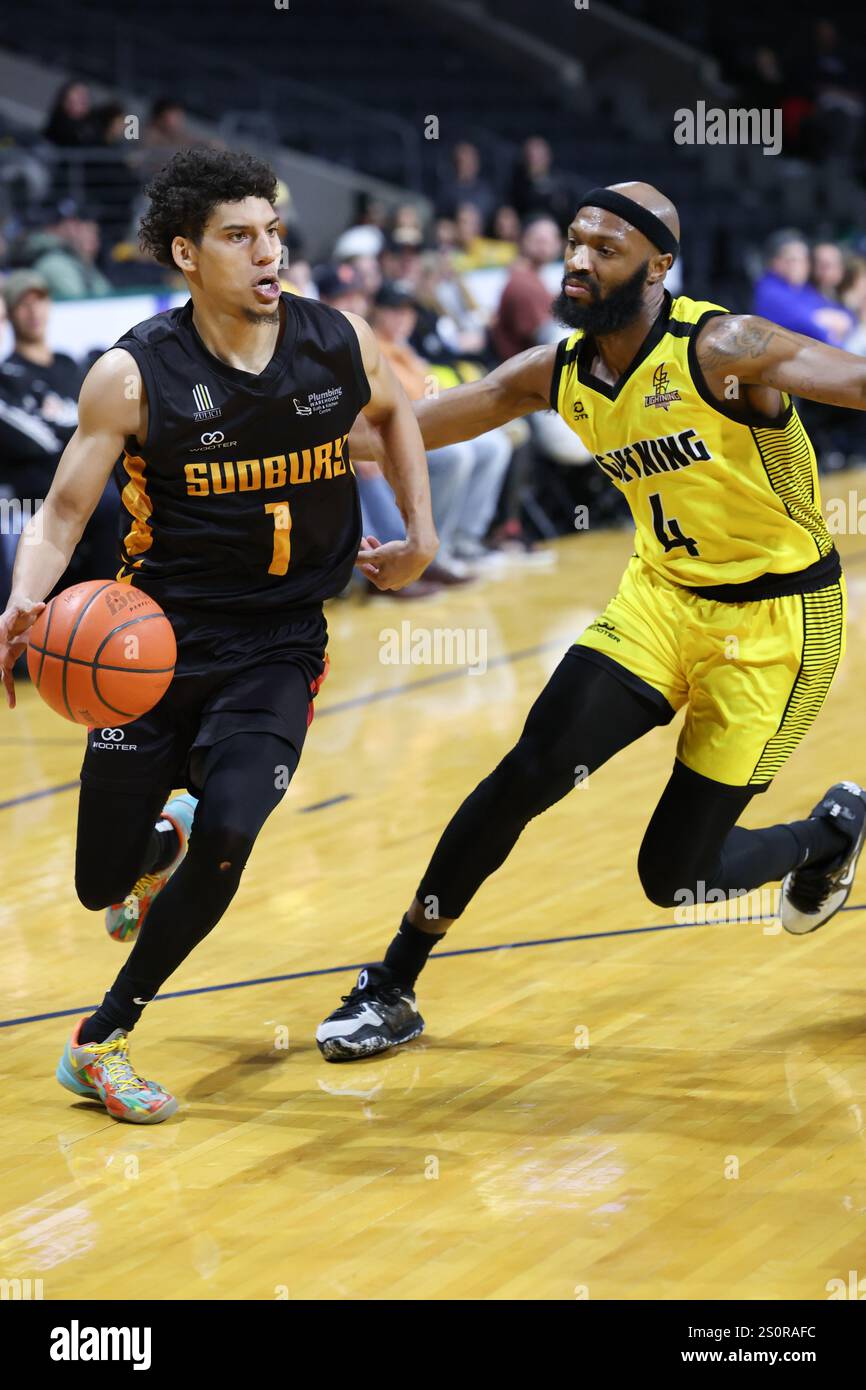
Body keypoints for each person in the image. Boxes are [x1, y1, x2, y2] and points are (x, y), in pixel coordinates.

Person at [316, 180, 866, 1062]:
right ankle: (393, 980)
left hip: (779, 626)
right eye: (574, 240)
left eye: (605, 248)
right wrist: (267, 436)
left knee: (675, 876)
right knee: (525, 773)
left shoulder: (722, 347)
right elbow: (399, 433)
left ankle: (829, 835)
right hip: (661, 600)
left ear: (657, 268)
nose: (579, 259)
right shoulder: (558, 370)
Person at [0, 148, 437, 1123]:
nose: (266, 250)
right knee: (98, 885)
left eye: (273, 231)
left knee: (234, 830)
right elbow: (65, 514)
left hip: (280, 642)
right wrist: (26, 597)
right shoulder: (131, 374)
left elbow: (397, 412)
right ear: (186, 255)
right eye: (240, 237)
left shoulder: (336, 339)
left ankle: (101, 1038)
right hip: (148, 643)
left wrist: (421, 537)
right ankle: (158, 845)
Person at [0, 271, 118, 609]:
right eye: (23, 304)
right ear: (10, 313)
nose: (33, 311)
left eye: (39, 301)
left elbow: (105, 420)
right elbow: (36, 443)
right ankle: (104, 607)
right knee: (109, 502)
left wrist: (63, 424)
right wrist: (75, 425)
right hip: (36, 494)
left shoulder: (70, 366)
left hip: (87, 481)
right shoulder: (8, 376)